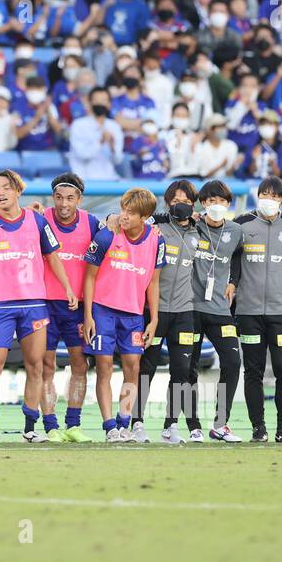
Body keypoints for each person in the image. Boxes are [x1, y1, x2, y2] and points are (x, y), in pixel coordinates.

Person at [0, 169, 76, 443]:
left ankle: (30, 427)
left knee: (35, 365)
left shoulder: (36, 221)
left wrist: (68, 287)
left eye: (5, 188)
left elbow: (53, 257)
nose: (0, 193)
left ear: (17, 191)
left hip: (34, 304)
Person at [82, 187, 164, 443]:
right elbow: (89, 276)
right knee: (104, 368)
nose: (124, 216)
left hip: (133, 315)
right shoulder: (108, 235)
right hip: (102, 311)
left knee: (133, 368)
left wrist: (154, 319)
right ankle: (109, 427)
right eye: (123, 210)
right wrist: (88, 315)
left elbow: (153, 282)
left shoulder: (156, 240)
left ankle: (123, 421)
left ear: (145, 217)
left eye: (131, 213)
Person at [132, 180, 202, 444]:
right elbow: (126, 220)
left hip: (185, 312)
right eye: (174, 200)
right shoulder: (156, 227)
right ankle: (136, 422)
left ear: (193, 204)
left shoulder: (200, 232)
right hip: (153, 311)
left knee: (182, 369)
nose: (179, 205)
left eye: (185, 201)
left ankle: (171, 425)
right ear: (167, 203)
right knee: (145, 366)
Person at [233, 177, 282, 442]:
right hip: (248, 312)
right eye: (264, 194)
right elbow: (230, 257)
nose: (268, 200)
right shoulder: (241, 225)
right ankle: (258, 428)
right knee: (253, 371)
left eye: (274, 196)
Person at [39, 173, 99, 443]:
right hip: (44, 304)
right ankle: (50, 425)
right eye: (59, 197)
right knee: (46, 365)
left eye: (70, 198)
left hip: (77, 306)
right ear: (53, 197)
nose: (64, 204)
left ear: (80, 199)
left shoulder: (92, 223)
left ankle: (73, 425)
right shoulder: (40, 219)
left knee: (80, 364)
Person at [192, 180, 245, 442]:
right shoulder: (190, 225)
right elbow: (158, 219)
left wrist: (233, 281)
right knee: (186, 367)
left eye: (222, 201)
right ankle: (191, 426)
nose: (217, 206)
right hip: (189, 308)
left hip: (220, 310)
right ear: (203, 203)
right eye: (212, 201)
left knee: (233, 361)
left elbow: (238, 256)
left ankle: (221, 423)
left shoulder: (236, 230)